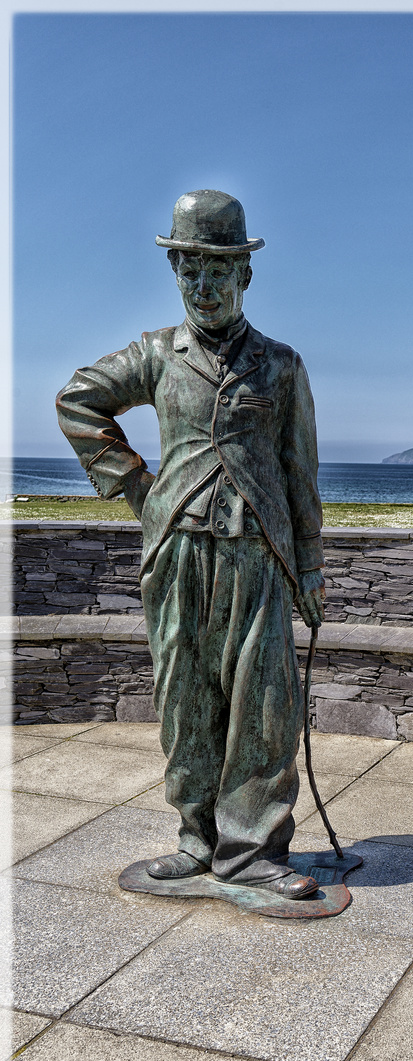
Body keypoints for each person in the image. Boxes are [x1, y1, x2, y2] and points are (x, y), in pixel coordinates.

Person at [56, 190, 325, 899]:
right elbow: (77, 401)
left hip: (258, 559)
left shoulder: (281, 364)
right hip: (177, 556)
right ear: (176, 273)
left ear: (244, 275)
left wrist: (311, 564)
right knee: (185, 702)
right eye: (190, 272)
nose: (204, 287)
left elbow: (300, 474)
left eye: (218, 271)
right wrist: (136, 486)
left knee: (264, 709)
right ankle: (198, 839)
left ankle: (255, 849)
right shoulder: (155, 354)